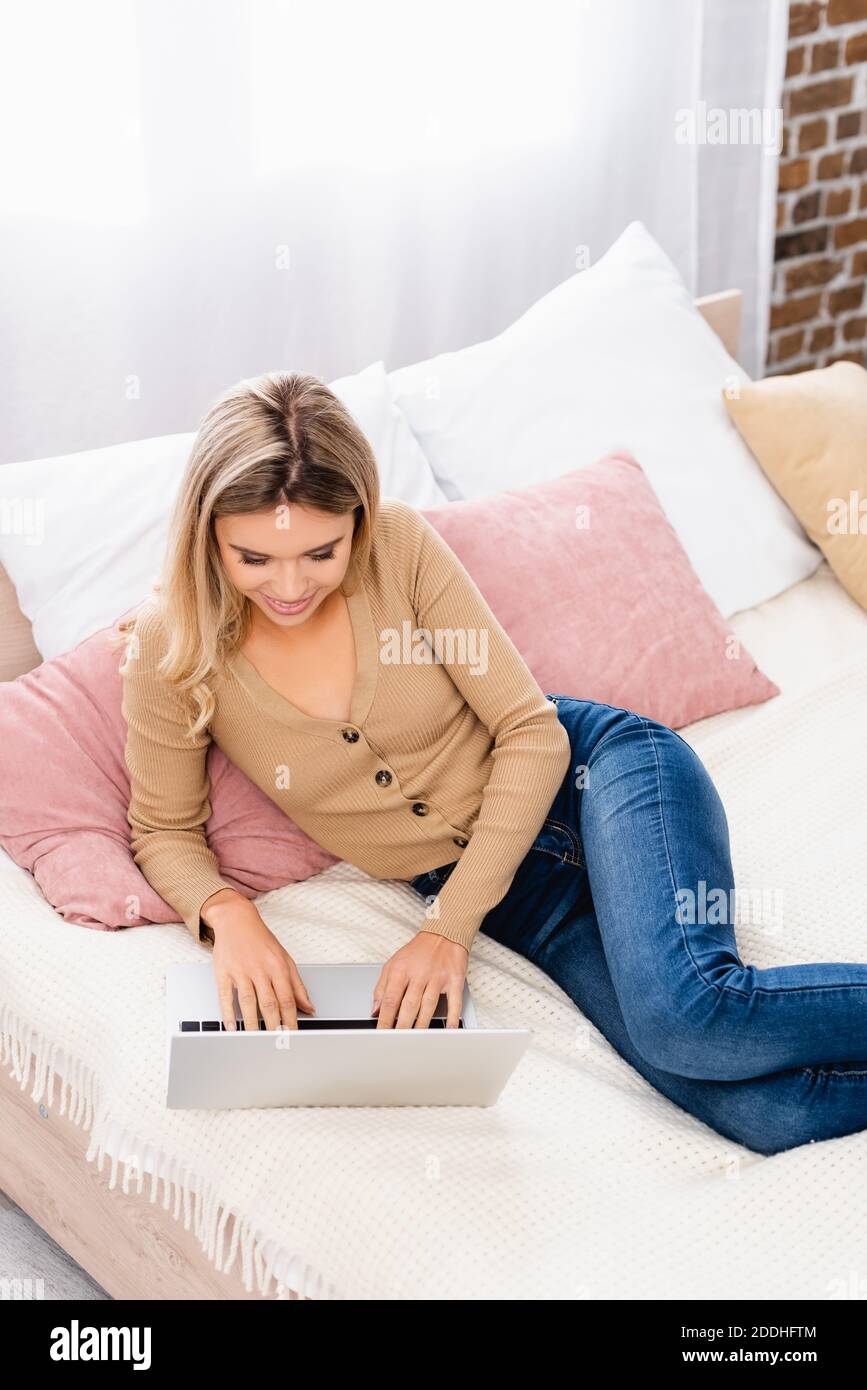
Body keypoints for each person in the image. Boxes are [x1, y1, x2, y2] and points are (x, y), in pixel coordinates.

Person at [115, 370, 867, 1157]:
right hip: (526, 899)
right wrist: (228, 916)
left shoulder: (397, 546)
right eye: (254, 559)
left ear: (358, 518)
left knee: (692, 1017)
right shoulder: (170, 648)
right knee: (772, 1117)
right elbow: (162, 828)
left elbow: (532, 732)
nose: (291, 584)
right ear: (206, 533)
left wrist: (446, 928)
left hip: (602, 779)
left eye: (319, 551)